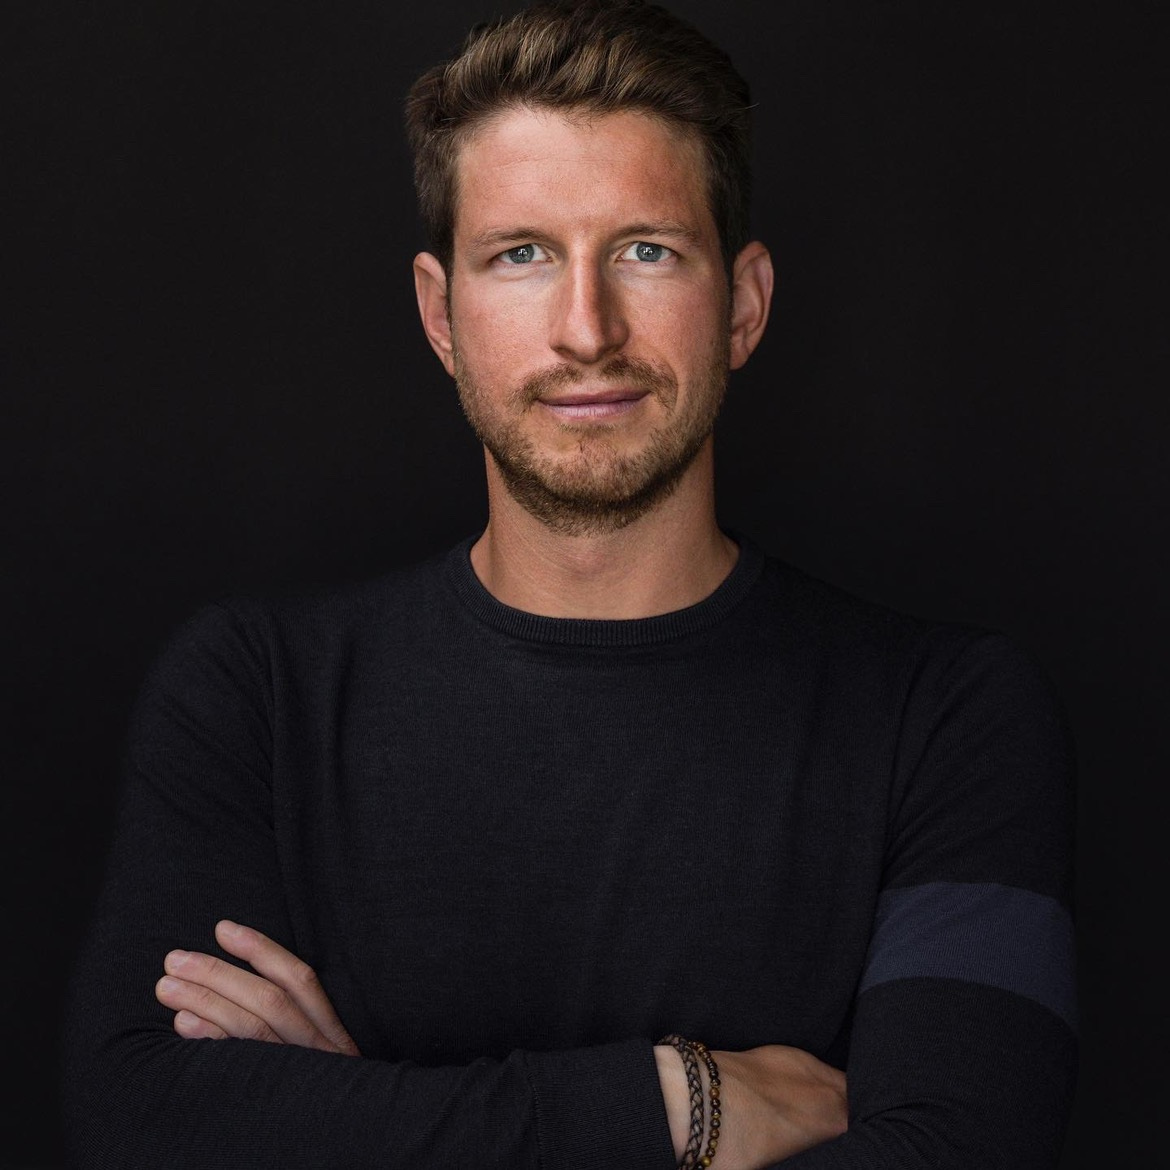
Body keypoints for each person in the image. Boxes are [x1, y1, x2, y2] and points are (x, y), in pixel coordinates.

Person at [61, 1, 1078, 1166]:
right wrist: (678, 1104)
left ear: (743, 306)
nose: (587, 330)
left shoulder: (948, 718)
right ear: (441, 314)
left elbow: (958, 1149)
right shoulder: (258, 697)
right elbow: (138, 1123)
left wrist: (357, 1119)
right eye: (522, 255)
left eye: (647, 250)